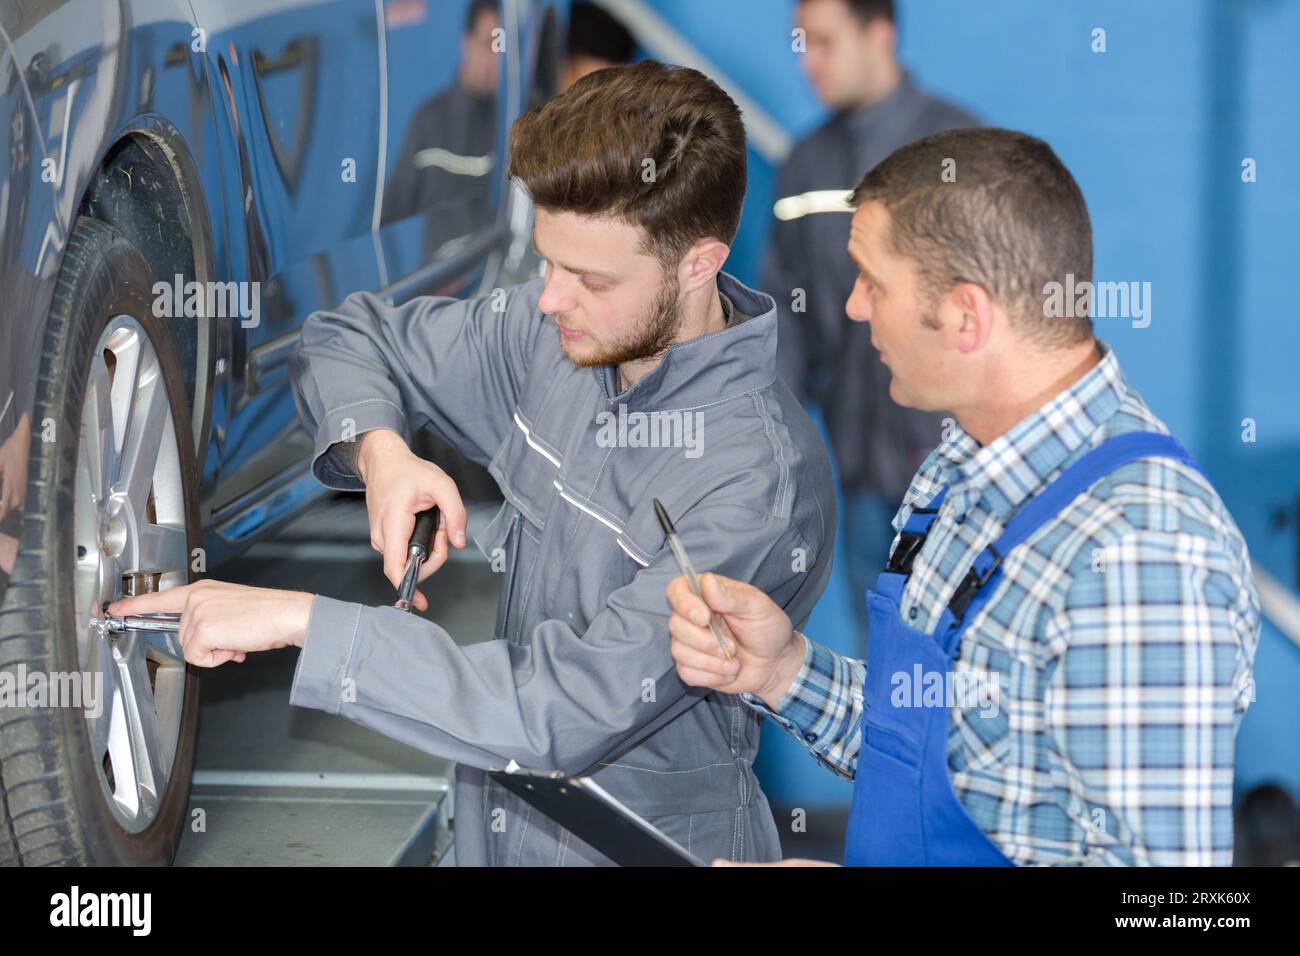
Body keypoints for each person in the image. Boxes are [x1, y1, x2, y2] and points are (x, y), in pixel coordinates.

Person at [109, 61, 837, 867]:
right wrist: (382, 453)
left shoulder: (757, 481)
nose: (551, 297)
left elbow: (557, 712)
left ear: (699, 263)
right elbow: (348, 336)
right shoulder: (551, 340)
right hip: (494, 825)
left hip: (646, 847)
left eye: (590, 278)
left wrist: (303, 622)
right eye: (547, 261)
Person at [666, 127, 1261, 866]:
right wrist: (781, 668)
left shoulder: (1139, 553)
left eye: (872, 282)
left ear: (967, 317)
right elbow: (945, 754)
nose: (853, 308)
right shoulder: (957, 468)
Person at [766, 0, 977, 651]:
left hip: (960, 483)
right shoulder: (805, 168)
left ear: (878, 33)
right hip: (860, 486)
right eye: (802, 43)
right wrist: (768, 450)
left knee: (967, 676)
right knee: (888, 676)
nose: (807, 63)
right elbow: (786, 321)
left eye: (824, 43)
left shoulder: (960, 154)